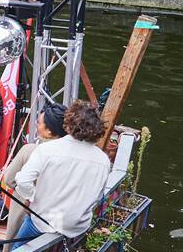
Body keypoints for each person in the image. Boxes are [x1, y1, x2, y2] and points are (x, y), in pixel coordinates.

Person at [13, 100, 111, 242]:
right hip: (77, 227)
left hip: (43, 222)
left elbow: (23, 180)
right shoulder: (103, 160)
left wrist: (31, 197)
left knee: (17, 249)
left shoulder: (47, 150)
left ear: (69, 123)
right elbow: (97, 196)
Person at [0, 102, 65, 246]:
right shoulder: (69, 156)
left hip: (24, 208)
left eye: (39, 122)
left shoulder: (30, 150)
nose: (35, 124)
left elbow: (8, 179)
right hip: (58, 219)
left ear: (49, 131)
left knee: (16, 247)